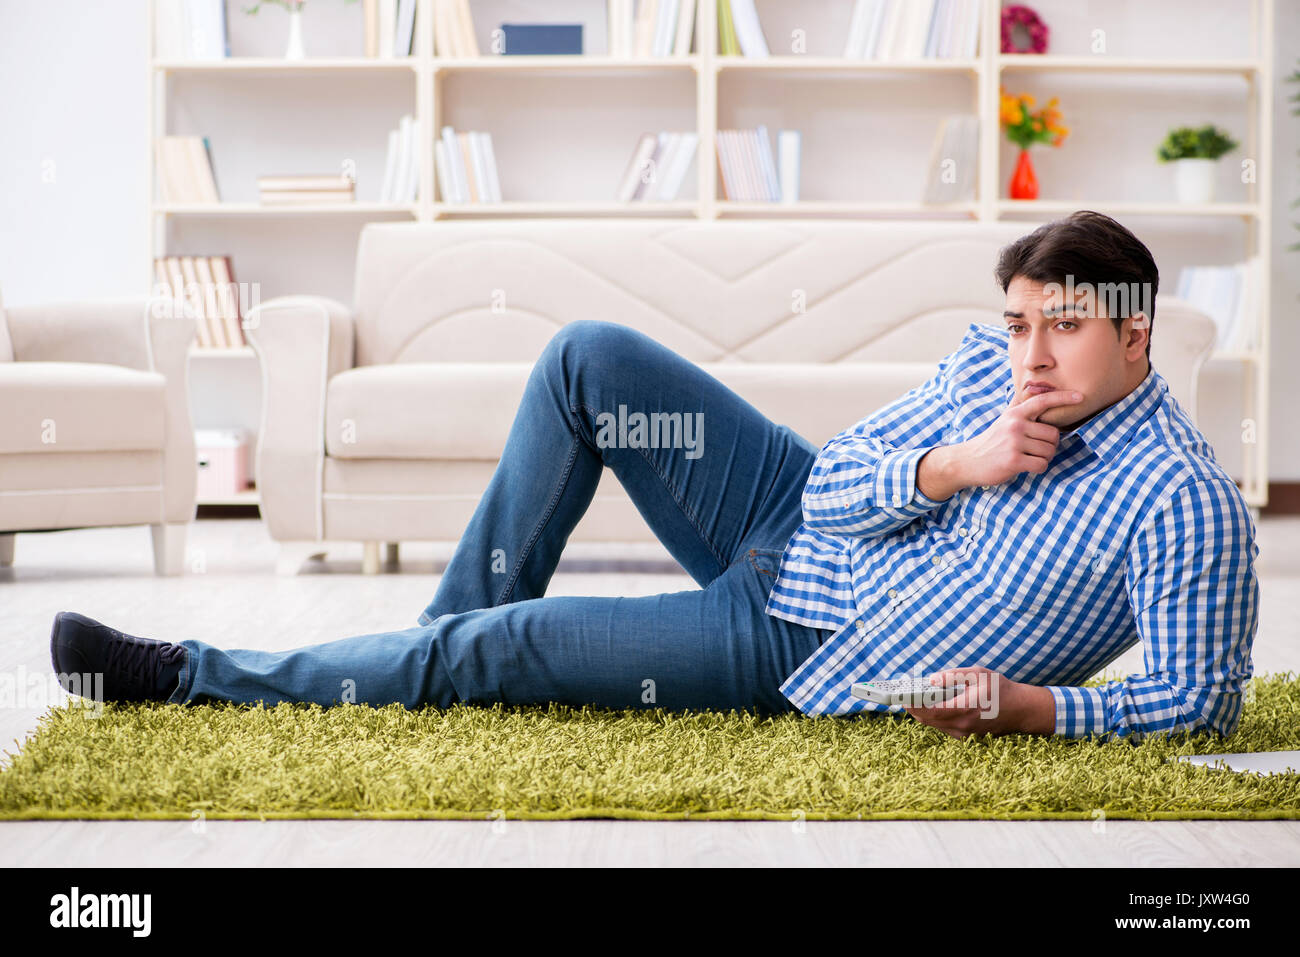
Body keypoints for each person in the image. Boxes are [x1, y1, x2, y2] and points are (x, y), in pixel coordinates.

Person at [51, 210, 1258, 740]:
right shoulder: (982, 380)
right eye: (1016, 324)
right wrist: (954, 465)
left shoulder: (1181, 503)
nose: (1029, 356)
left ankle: (190, 676)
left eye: (1064, 330)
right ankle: (424, 658)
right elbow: (836, 482)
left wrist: (1037, 708)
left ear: (1137, 333)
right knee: (589, 358)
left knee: (496, 655)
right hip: (790, 515)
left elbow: (1200, 702)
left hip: (795, 639)